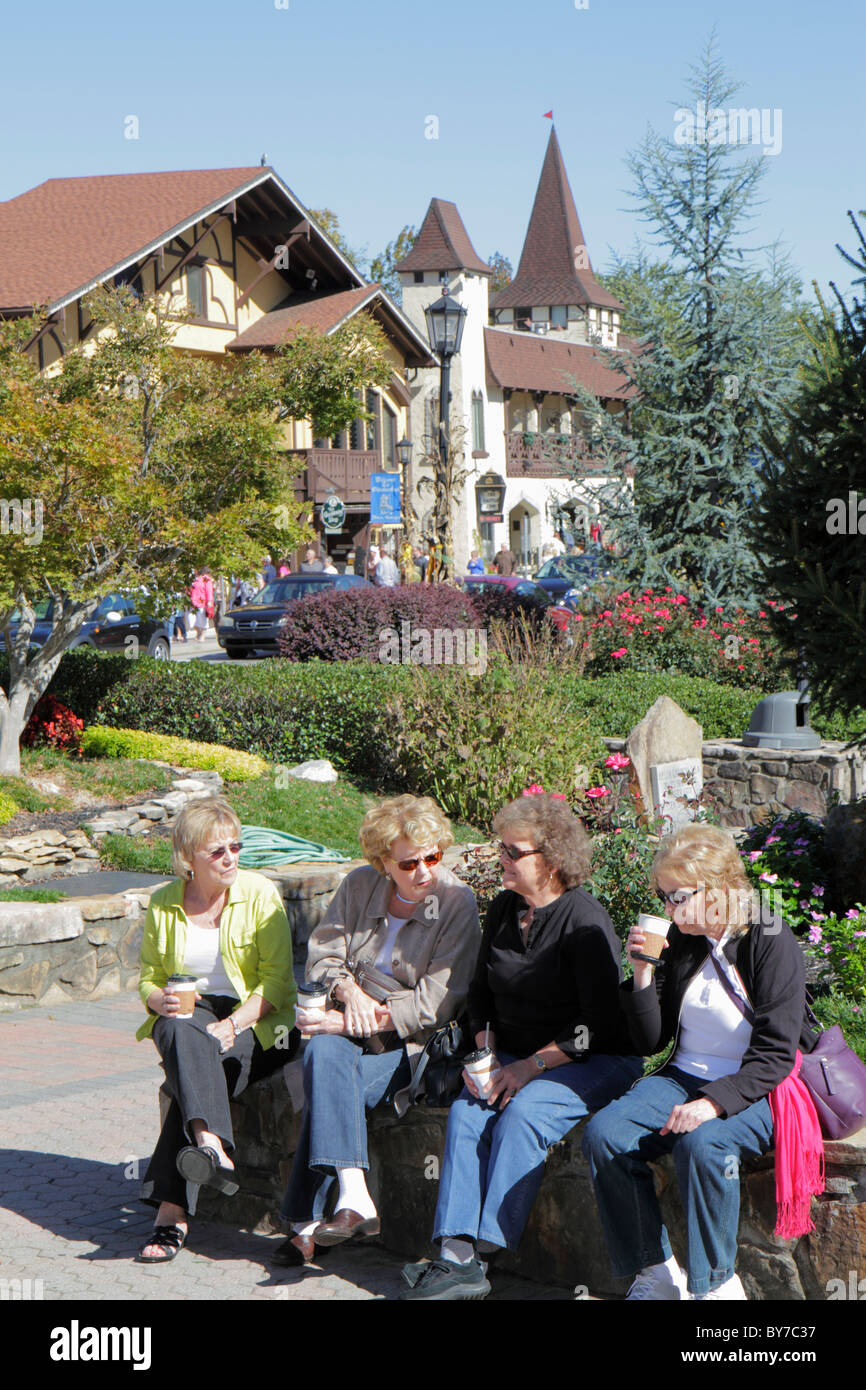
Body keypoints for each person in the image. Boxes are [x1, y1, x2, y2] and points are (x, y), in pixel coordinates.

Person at [401, 792, 643, 1300]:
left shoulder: (585, 923)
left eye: (514, 852)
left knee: (524, 1113)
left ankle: (485, 1251)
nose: (502, 860)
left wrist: (530, 1068)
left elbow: (594, 1027)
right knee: (470, 1111)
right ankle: (456, 1258)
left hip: (594, 1058)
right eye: (502, 849)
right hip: (514, 1053)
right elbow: (482, 996)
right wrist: (486, 1057)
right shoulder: (507, 908)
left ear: (551, 861)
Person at [582, 823, 819, 1301]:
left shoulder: (768, 937)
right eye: (663, 895)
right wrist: (643, 974)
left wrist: (712, 1104)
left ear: (716, 890)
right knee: (605, 1134)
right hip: (683, 1075)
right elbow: (653, 1041)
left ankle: (717, 1286)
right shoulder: (684, 939)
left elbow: (775, 1052)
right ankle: (656, 1274)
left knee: (704, 1144)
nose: (667, 908)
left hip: (759, 1085)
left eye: (676, 896)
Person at [273, 795, 480, 1267]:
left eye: (433, 856)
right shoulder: (360, 885)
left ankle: (304, 1223)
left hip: (409, 1046)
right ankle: (354, 1195)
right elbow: (323, 956)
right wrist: (349, 993)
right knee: (325, 1057)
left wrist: (348, 1020)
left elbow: (437, 1002)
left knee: (325, 1076)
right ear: (383, 861)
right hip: (347, 1031)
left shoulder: (456, 901)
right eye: (409, 863)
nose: (424, 871)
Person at [134, 796, 298, 1263]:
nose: (231, 858)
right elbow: (147, 976)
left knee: (198, 1068)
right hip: (191, 1011)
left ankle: (172, 1214)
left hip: (257, 1017)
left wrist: (234, 1023)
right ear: (189, 859)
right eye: (217, 851)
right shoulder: (164, 901)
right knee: (180, 1029)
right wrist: (156, 999)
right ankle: (211, 1144)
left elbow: (278, 983)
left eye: (236, 847)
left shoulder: (260, 893)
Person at [188, 569, 214, 641]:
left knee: (202, 619)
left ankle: (202, 634)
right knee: (191, 619)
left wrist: (209, 602)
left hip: (202, 602)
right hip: (193, 602)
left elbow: (209, 591)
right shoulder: (193, 579)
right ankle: (198, 632)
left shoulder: (206, 579)